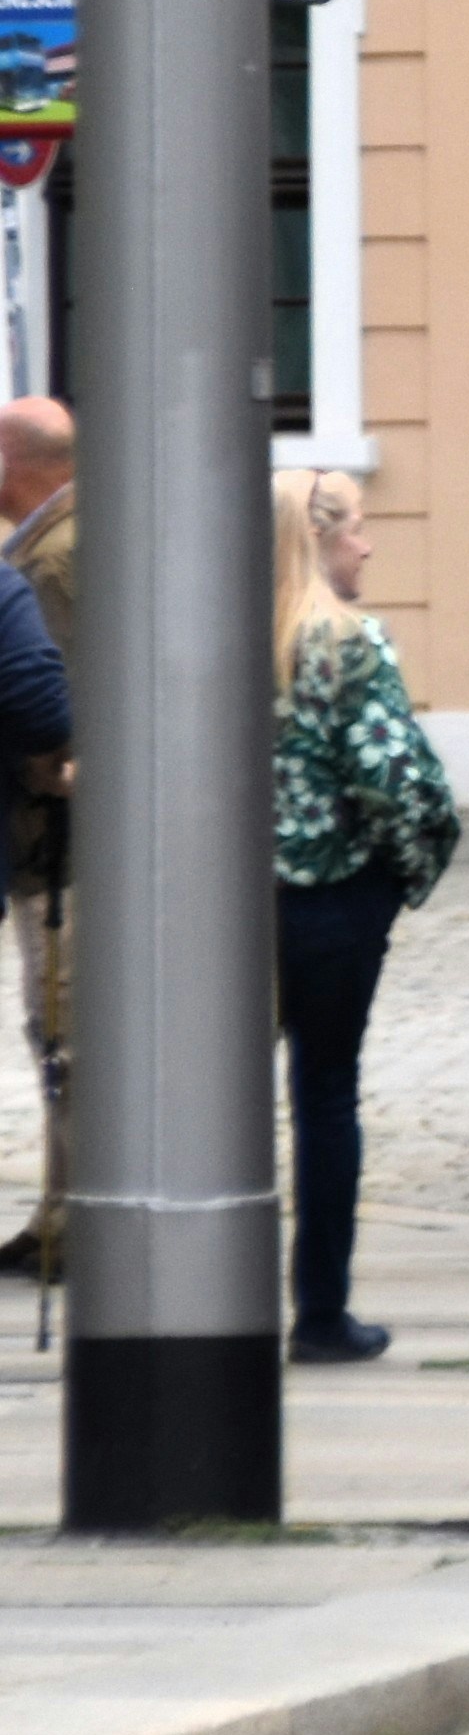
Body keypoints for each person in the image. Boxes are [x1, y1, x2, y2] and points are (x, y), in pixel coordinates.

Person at [271, 468, 456, 1364]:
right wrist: (405, 877)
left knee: (217, 1106)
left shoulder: (229, 635)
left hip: (227, 908)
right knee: (325, 1097)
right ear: (321, 538)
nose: (368, 545)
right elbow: (397, 780)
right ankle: (320, 1311)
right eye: (356, 529)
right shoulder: (347, 642)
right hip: (333, 904)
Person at [0, 393, 68, 1279]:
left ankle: (70, 1219)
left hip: (56, 842)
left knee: (62, 1027)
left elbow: (56, 703)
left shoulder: (54, 559)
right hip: (47, 834)